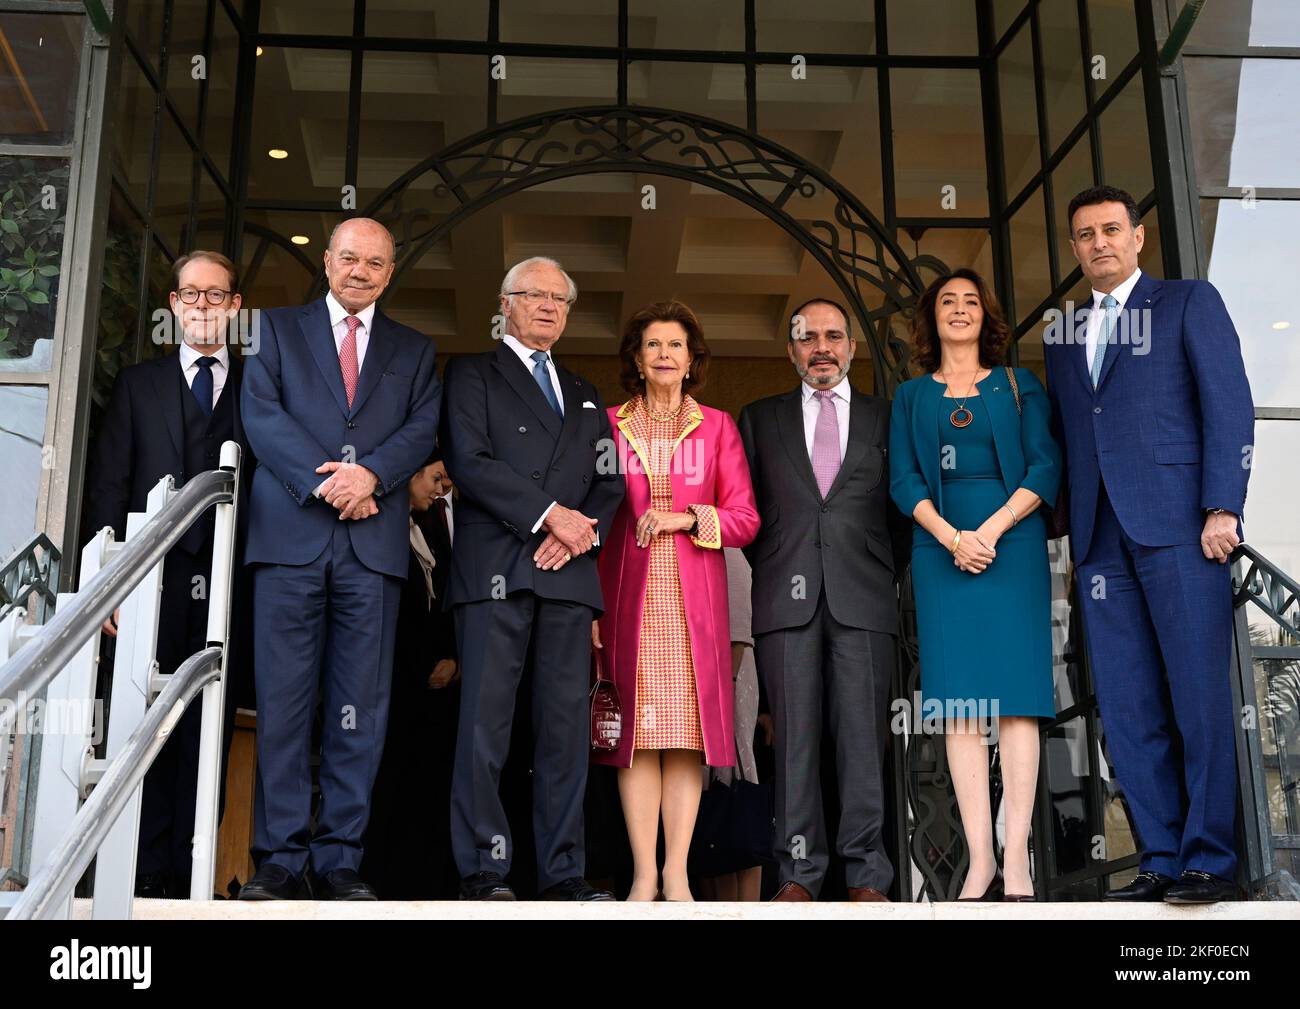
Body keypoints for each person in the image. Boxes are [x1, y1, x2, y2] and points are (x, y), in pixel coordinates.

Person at [1045, 185, 1254, 904]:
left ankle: (1209, 854)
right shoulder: (1063, 337)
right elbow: (1076, 436)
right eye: (1084, 234)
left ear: (1138, 236)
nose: (1098, 242)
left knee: (1196, 697)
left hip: (1182, 531)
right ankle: (1160, 854)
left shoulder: (1190, 302)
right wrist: (1069, 536)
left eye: (1111, 228)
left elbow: (1228, 403)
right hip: (1102, 543)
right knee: (1130, 709)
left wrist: (1223, 504)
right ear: (1073, 249)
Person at [238, 217, 441, 901]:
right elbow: (260, 414)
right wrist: (329, 481)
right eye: (349, 257)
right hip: (291, 539)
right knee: (286, 703)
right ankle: (279, 856)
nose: (360, 270)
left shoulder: (415, 350)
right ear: (326, 261)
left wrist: (372, 477)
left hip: (372, 548)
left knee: (361, 709)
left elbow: (422, 427)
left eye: (375, 262)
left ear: (389, 272)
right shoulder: (273, 330)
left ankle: (339, 858)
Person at [442, 256, 625, 901]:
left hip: (568, 577)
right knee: (484, 728)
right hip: (497, 569)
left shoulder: (585, 391)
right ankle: (485, 869)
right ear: (505, 303)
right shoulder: (470, 374)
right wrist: (550, 517)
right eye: (534, 295)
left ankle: (563, 873)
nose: (547, 306)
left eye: (560, 299)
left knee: (564, 731)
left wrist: (580, 531)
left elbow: (611, 481)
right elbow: (470, 462)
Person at [84, 250, 254, 898]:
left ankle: (194, 874)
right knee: (144, 725)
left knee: (208, 727)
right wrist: (110, 584)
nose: (203, 305)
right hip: (148, 592)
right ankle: (144, 871)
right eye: (191, 294)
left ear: (235, 307)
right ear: (175, 305)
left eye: (216, 295)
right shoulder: (137, 385)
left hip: (228, 594)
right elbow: (108, 489)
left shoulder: (259, 387)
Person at [889, 268, 1062, 902]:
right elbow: (904, 481)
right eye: (946, 302)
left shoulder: (1020, 385)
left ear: (986, 317)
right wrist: (952, 539)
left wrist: (986, 531)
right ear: (930, 318)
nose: (958, 310)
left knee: (1017, 702)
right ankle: (980, 860)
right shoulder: (911, 396)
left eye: (969, 302)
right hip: (941, 554)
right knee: (960, 706)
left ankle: (1018, 861)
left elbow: (1046, 466)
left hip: (1010, 542)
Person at [738, 297, 911, 902]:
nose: (821, 347)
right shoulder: (758, 418)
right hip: (784, 602)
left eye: (834, 336)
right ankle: (797, 876)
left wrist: (867, 563)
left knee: (864, 741)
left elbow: (904, 515)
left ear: (852, 348)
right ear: (790, 351)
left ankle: (867, 877)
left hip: (863, 597)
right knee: (794, 742)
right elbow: (747, 514)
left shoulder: (890, 417)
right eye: (807, 337)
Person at [591, 300, 759, 902]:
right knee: (634, 735)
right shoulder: (606, 425)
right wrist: (588, 607)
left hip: (695, 603)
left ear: (692, 360)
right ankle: (641, 874)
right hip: (624, 597)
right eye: (653, 345)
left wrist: (687, 516)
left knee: (687, 736)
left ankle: (677, 873)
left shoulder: (717, 427)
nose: (664, 355)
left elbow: (745, 518)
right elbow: (588, 515)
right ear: (637, 358)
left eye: (676, 346)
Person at [361, 450, 460, 899]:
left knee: (427, 788)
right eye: (436, 477)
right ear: (411, 471)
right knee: (386, 784)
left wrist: (454, 659)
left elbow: (444, 603)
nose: (441, 488)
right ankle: (377, 883)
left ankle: (423, 888)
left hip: (432, 690)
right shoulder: (380, 524)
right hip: (389, 682)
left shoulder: (432, 529)